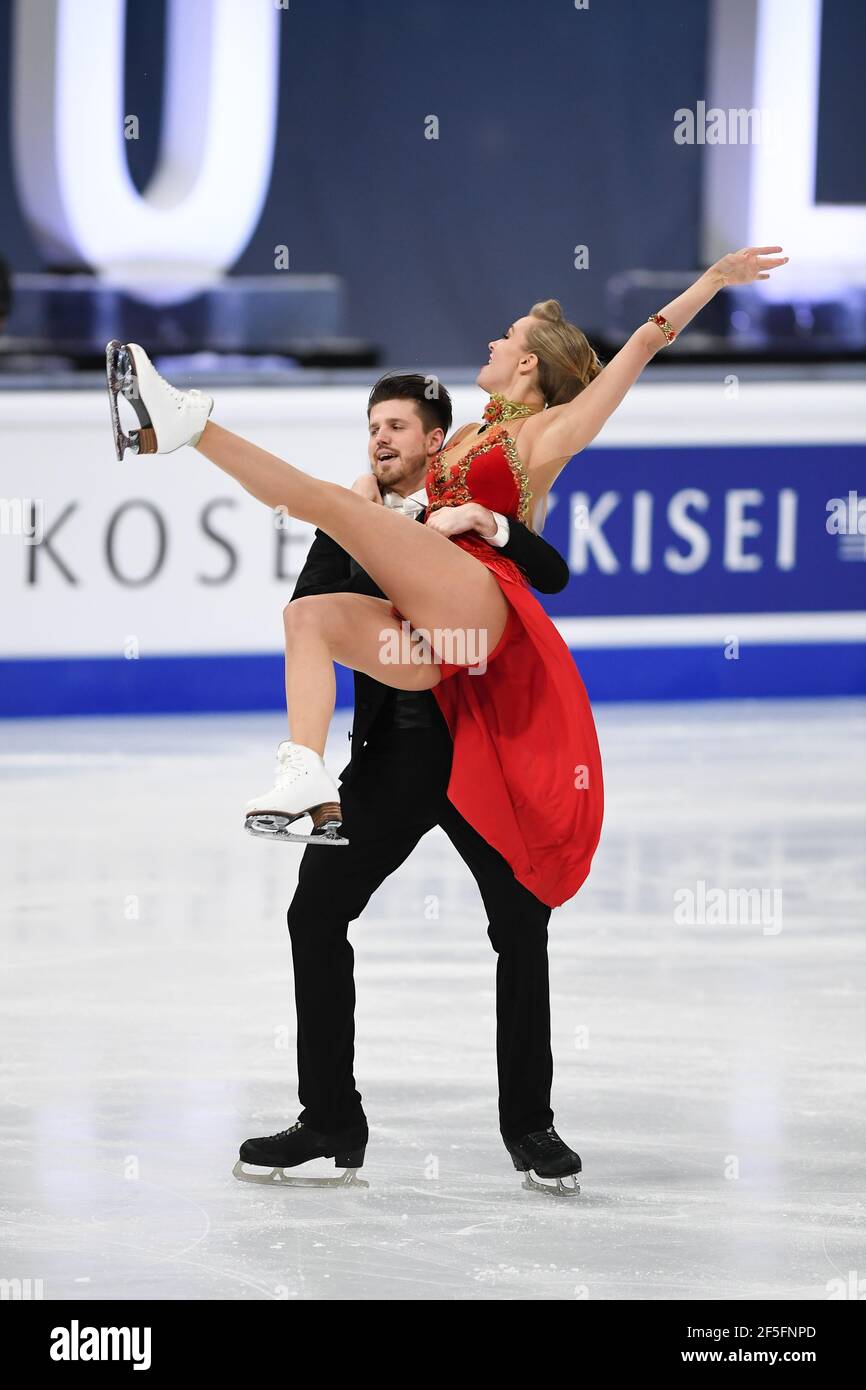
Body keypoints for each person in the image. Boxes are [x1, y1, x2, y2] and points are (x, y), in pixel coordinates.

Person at [105, 246, 786, 908]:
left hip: (478, 605)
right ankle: (304, 780)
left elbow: (642, 344)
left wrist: (714, 280)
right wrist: (388, 506)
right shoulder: (461, 438)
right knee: (306, 617)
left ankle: (186, 427)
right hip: (433, 646)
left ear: (529, 360)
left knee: (333, 505)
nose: (492, 341)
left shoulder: (546, 433)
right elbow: (410, 518)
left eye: (507, 335)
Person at [237, 373, 585, 1194]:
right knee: (314, 910)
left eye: (396, 426)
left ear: (437, 441)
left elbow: (553, 571)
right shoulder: (365, 518)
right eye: (370, 427)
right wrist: (355, 519)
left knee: (519, 926)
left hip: (478, 754)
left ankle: (529, 1126)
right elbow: (312, 608)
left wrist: (489, 524)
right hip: (393, 756)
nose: (379, 440)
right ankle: (330, 1119)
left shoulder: (467, 515)